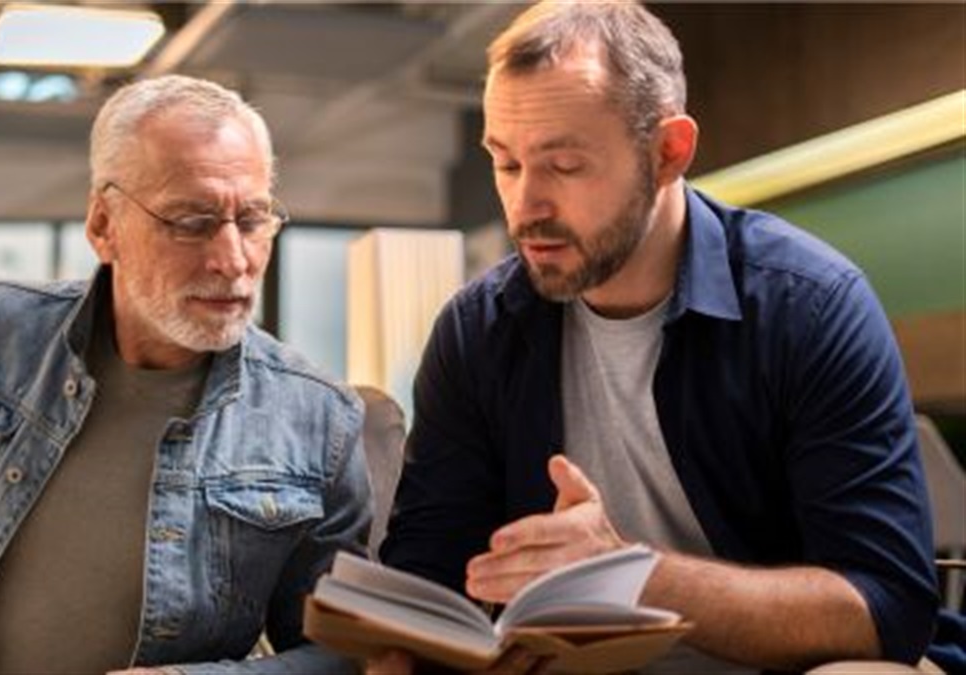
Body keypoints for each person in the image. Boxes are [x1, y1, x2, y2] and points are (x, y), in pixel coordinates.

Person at [375, 2, 939, 673]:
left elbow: (887, 611)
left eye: (565, 165)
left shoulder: (810, 306)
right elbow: (428, 575)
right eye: (506, 163)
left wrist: (630, 573)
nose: (525, 206)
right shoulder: (476, 332)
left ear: (668, 152)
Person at [0, 74, 370, 674]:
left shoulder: (319, 418)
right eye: (191, 222)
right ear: (103, 226)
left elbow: (340, 654)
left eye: (253, 219)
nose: (233, 260)